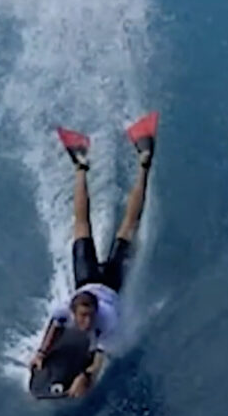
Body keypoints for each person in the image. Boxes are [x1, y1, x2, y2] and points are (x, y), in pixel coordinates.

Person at [28, 115, 155, 400]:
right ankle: (81, 164)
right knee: (82, 223)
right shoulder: (65, 310)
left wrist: (86, 378)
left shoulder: (106, 318)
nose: (85, 323)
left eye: (88, 317)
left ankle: (144, 163)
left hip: (109, 284)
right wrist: (40, 353)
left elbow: (99, 357)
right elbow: (54, 326)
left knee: (127, 226)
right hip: (88, 281)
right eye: (82, 317)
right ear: (74, 312)